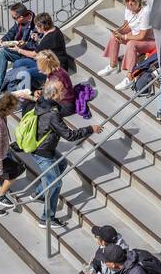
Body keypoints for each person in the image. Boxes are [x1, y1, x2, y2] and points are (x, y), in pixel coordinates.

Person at [28, 79, 104, 226]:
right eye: (62, 90)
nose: (65, 92)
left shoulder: (43, 101)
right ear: (54, 94)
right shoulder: (52, 114)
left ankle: (39, 193)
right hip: (43, 152)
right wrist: (90, 129)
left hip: (43, 147)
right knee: (55, 184)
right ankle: (46, 218)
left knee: (62, 163)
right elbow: (69, 136)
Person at [0, 13, 69, 97]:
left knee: (26, 73)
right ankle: (16, 84)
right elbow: (46, 46)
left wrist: (19, 50)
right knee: (18, 63)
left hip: (52, 69)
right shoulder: (54, 30)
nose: (35, 28)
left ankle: (25, 95)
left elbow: (34, 54)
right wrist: (38, 39)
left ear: (42, 27)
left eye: (37, 26)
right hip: (44, 62)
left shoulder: (50, 37)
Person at [100, 0, 153, 84]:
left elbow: (143, 36)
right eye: (127, 1)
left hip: (151, 40)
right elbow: (127, 25)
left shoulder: (145, 11)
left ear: (138, 0)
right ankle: (113, 66)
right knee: (114, 37)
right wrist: (119, 31)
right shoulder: (128, 8)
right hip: (136, 35)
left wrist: (125, 37)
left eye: (133, 0)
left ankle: (130, 76)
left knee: (131, 44)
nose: (130, 3)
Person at [0, 3, 36, 91]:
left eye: (14, 18)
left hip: (25, 53)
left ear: (21, 17)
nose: (14, 20)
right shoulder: (19, 22)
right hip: (16, 47)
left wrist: (25, 44)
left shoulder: (36, 25)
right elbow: (11, 32)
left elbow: (37, 46)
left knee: (2, 52)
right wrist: (3, 40)